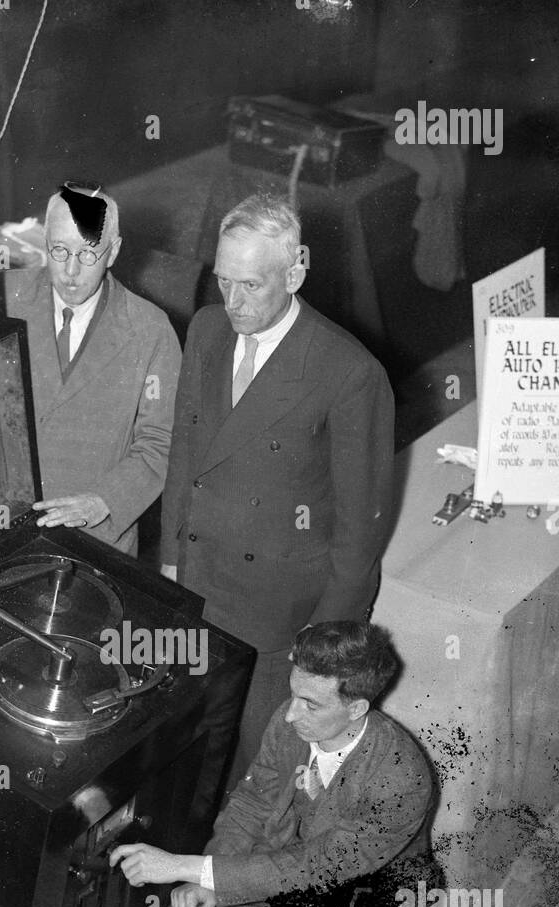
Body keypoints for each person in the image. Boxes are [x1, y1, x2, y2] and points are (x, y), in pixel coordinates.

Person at [110, 621, 439, 907]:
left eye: (311, 704)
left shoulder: (400, 776)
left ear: (356, 708)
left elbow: (320, 868)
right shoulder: (292, 720)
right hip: (293, 853)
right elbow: (252, 803)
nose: (290, 714)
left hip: (376, 884)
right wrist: (210, 879)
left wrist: (184, 866)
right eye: (293, 694)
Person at [159, 194, 396, 778]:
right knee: (187, 750)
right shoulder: (206, 329)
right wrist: (169, 564)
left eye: (251, 285)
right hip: (198, 585)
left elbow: (359, 531)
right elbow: (184, 456)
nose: (233, 302)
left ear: (294, 274)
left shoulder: (349, 372)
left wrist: (323, 645)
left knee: (257, 772)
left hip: (277, 617)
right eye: (223, 281)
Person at [0, 181, 182, 554]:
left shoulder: (151, 330)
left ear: (113, 252)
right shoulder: (1, 298)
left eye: (88, 253)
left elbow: (162, 442)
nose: (71, 270)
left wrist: (104, 501)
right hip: (1, 524)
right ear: (44, 242)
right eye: (60, 250)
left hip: (95, 538)